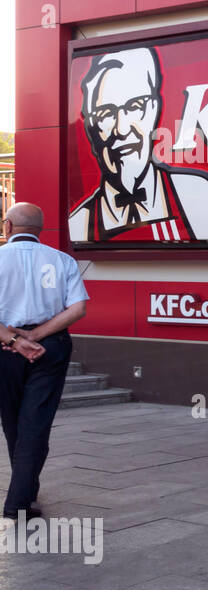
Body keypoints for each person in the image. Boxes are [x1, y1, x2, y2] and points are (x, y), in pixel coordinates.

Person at [67, 46, 208, 243]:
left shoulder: (194, 194)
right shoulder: (79, 225)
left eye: (135, 107)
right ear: (91, 129)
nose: (122, 129)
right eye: (105, 114)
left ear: (154, 109)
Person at [0, 204, 90, 520]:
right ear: (41, 229)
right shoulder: (62, 260)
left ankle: (22, 493)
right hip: (49, 347)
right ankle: (20, 499)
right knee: (35, 423)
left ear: (7, 225)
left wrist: (15, 340)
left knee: (12, 422)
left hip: (4, 348)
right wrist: (36, 335)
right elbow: (77, 308)